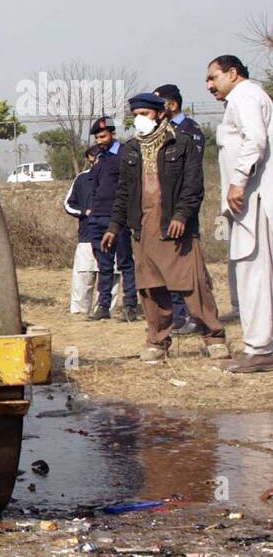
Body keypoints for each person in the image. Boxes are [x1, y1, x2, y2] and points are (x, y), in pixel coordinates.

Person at [103, 92, 227, 362]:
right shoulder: (131, 150)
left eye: (144, 115)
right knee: (150, 287)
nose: (139, 120)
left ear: (160, 114)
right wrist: (114, 226)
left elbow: (193, 186)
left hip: (176, 226)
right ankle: (158, 340)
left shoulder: (182, 144)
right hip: (144, 228)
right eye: (135, 115)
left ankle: (213, 336)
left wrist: (181, 216)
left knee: (193, 284)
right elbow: (123, 193)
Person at [210, 55, 273, 373]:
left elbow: (255, 140)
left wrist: (237, 183)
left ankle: (260, 348)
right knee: (252, 273)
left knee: (254, 273)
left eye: (214, 77)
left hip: (253, 198)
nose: (210, 85)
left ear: (232, 74)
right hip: (248, 199)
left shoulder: (245, 95)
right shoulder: (245, 97)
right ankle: (259, 345)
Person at [155, 84, 206, 334]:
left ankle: (198, 317)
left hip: (184, 209)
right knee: (170, 264)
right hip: (165, 209)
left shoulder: (189, 131)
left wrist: (183, 211)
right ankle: (178, 315)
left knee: (188, 265)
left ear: (171, 105)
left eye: (157, 105)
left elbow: (191, 177)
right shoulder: (162, 133)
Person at [87, 115, 137, 321]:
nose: (99, 141)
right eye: (97, 138)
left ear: (112, 134)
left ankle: (130, 306)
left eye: (103, 136)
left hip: (116, 218)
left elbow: (130, 187)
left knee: (125, 263)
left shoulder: (125, 154)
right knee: (103, 265)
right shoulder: (100, 157)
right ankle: (103, 307)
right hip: (97, 217)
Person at [64, 146, 122, 315]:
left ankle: (106, 310)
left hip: (112, 236)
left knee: (110, 275)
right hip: (87, 238)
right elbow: (68, 204)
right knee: (84, 278)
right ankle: (80, 313)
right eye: (95, 157)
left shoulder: (117, 176)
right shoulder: (82, 179)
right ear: (89, 159)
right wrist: (84, 213)